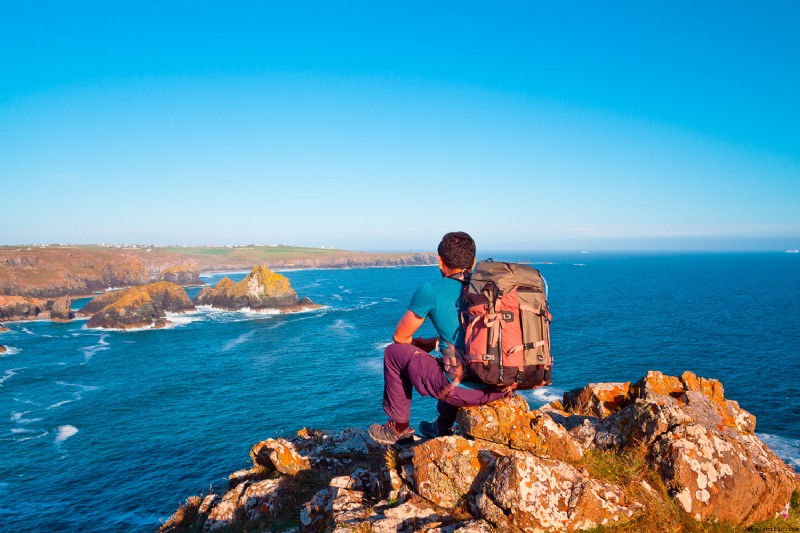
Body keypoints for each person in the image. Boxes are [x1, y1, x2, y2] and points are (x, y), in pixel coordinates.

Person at [368, 231, 506, 445]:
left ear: (440, 261)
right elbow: (476, 336)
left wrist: (418, 346)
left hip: (464, 392)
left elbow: (400, 337)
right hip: (502, 387)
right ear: (474, 261)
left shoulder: (430, 291)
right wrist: (435, 342)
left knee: (393, 353)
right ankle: (442, 427)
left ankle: (399, 428)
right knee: (455, 360)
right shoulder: (494, 291)